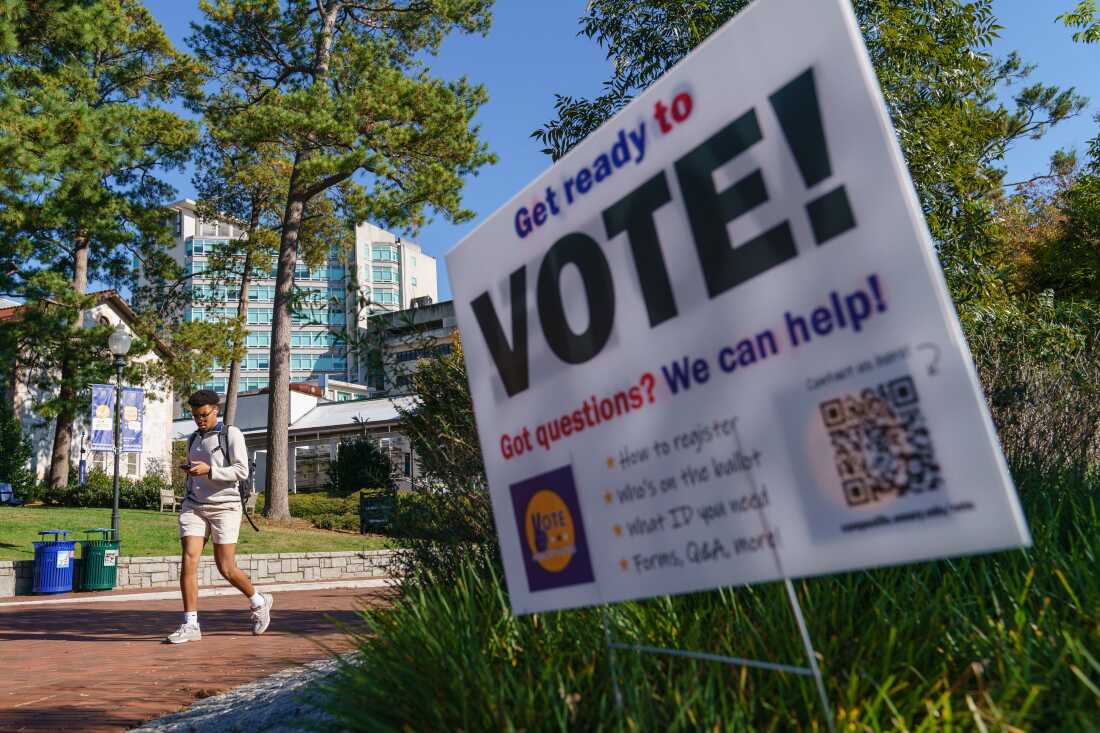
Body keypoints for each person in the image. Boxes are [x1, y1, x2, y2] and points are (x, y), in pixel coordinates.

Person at [165, 389, 273, 644]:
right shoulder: (192, 438)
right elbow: (199, 470)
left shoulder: (230, 434)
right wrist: (192, 474)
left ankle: (258, 602)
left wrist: (209, 470)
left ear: (216, 411)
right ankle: (191, 624)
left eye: (203, 415)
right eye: (194, 415)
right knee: (188, 560)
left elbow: (242, 470)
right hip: (195, 505)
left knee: (226, 567)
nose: (199, 420)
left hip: (225, 506)